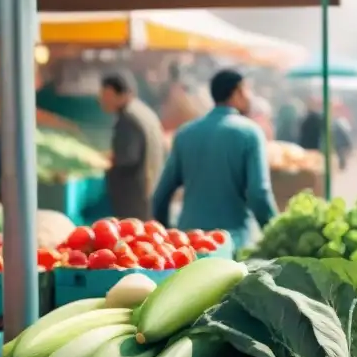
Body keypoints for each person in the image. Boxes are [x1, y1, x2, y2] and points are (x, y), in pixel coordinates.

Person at [153, 69, 277, 249]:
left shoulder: (185, 133)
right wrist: (275, 234)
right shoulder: (250, 133)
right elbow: (258, 194)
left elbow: (161, 196)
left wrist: (168, 234)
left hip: (188, 242)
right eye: (248, 91)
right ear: (238, 92)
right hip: (231, 244)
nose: (250, 97)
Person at [99, 73, 166, 221]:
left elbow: (127, 158)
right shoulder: (142, 111)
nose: (101, 100)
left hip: (133, 196)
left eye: (105, 94)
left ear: (115, 93)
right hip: (148, 191)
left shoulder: (128, 119)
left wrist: (106, 161)